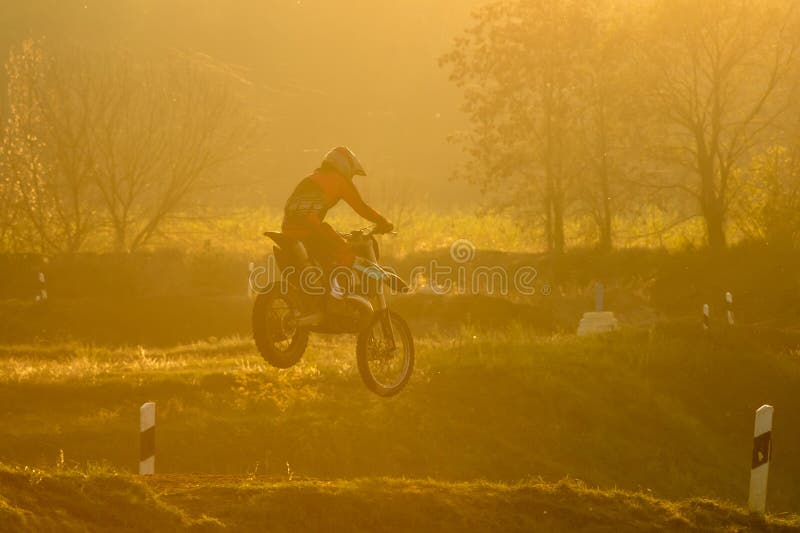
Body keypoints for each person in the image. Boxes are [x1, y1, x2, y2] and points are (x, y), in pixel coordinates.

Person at [281, 147, 393, 298]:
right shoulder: (339, 180)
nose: (351, 178)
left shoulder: (313, 177)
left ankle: (327, 292)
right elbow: (361, 207)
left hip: (289, 229)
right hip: (310, 229)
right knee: (345, 252)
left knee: (329, 253)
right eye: (351, 173)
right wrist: (383, 221)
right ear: (344, 166)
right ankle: (339, 297)